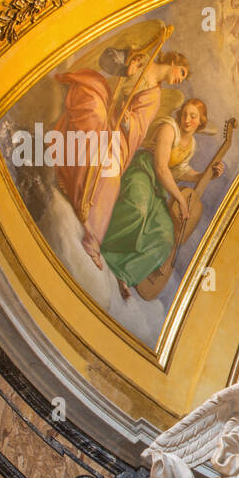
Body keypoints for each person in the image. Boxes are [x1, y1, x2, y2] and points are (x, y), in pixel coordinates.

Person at [53, 48, 190, 269]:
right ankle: (70, 179)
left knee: (111, 176)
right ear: (173, 61)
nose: (178, 80)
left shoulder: (155, 97)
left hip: (118, 133)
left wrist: (129, 122)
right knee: (93, 117)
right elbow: (106, 60)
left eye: (182, 78)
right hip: (104, 100)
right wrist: (124, 69)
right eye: (181, 72)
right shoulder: (143, 54)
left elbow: (140, 128)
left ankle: (91, 236)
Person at [99, 98, 221, 299]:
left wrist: (207, 175)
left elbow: (181, 171)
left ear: (201, 121)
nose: (187, 119)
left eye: (193, 116)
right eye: (185, 114)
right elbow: (162, 168)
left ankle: (125, 274)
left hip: (159, 187)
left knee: (165, 238)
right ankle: (104, 245)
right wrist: (181, 201)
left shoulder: (190, 144)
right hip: (143, 171)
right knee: (137, 208)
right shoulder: (169, 128)